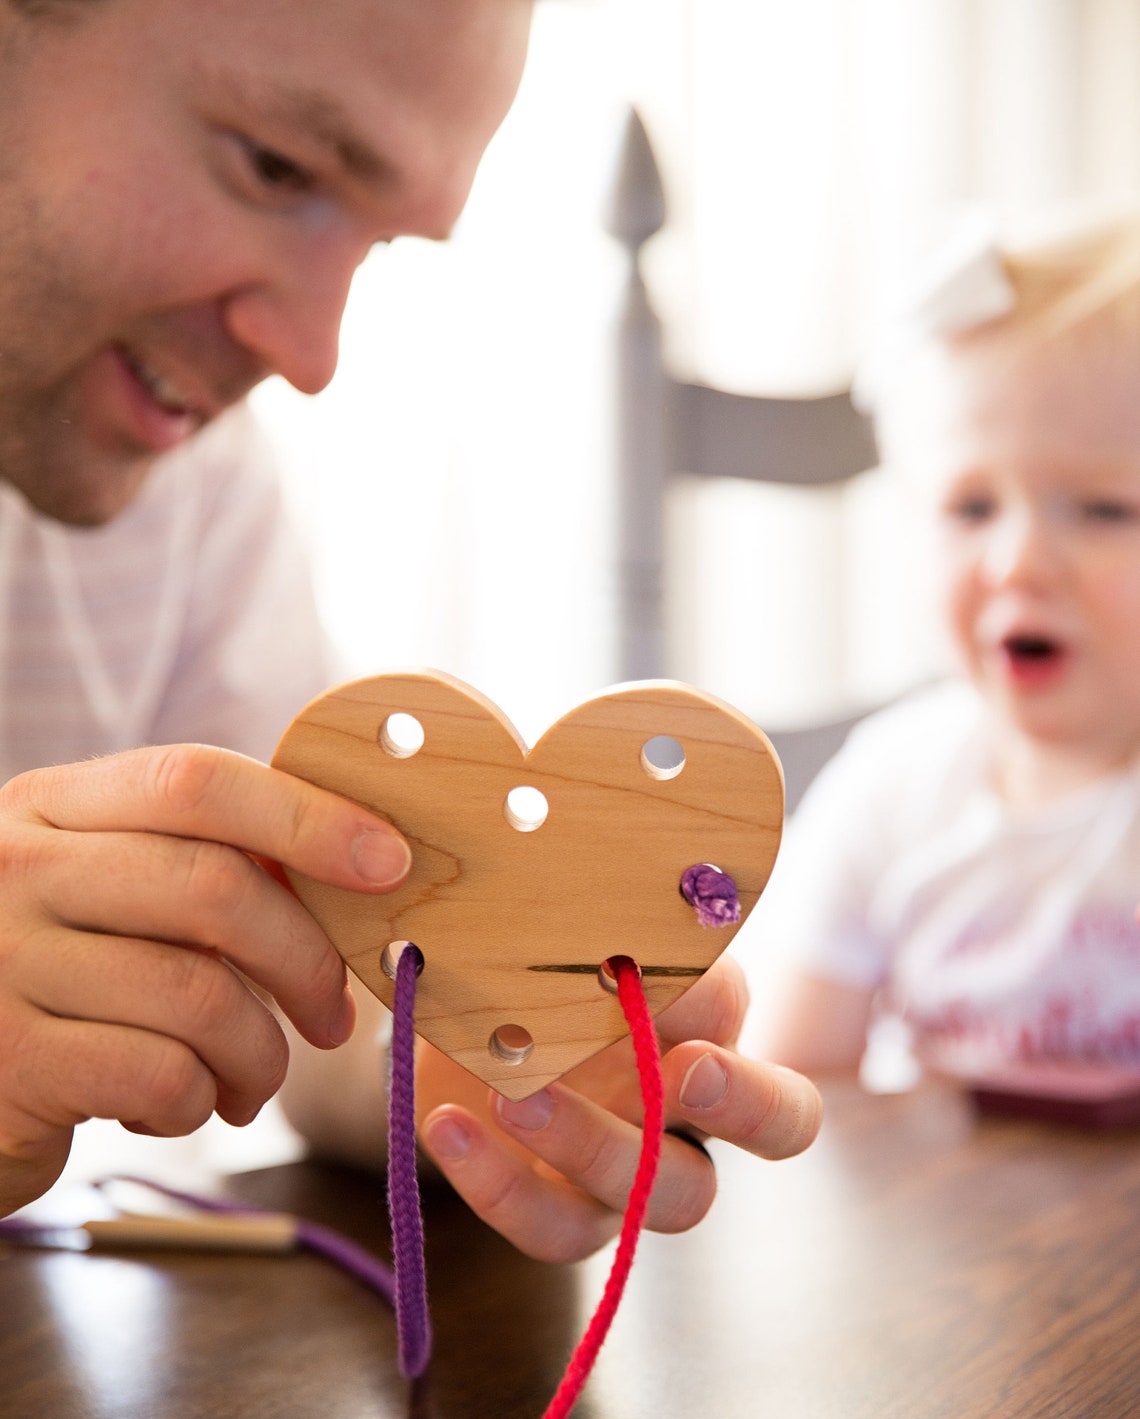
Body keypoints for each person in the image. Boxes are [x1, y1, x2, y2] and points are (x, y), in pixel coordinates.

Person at [0, 0, 821, 1239]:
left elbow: (314, 963)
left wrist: (485, 1068)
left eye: (379, 244)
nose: (313, 354)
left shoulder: (184, 478)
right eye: (274, 165)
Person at [748, 215, 1140, 1095]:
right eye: (970, 508)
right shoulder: (893, 791)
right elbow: (787, 1094)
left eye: (1105, 511)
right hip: (938, 1224)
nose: (1018, 562)